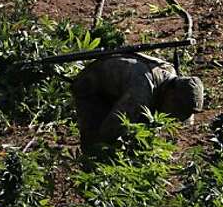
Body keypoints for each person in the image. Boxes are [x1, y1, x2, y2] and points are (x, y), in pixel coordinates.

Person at [70, 53, 204, 152]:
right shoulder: (142, 91)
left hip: (119, 88)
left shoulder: (169, 75)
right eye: (175, 108)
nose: (172, 115)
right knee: (96, 143)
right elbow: (114, 126)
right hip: (92, 88)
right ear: (172, 94)